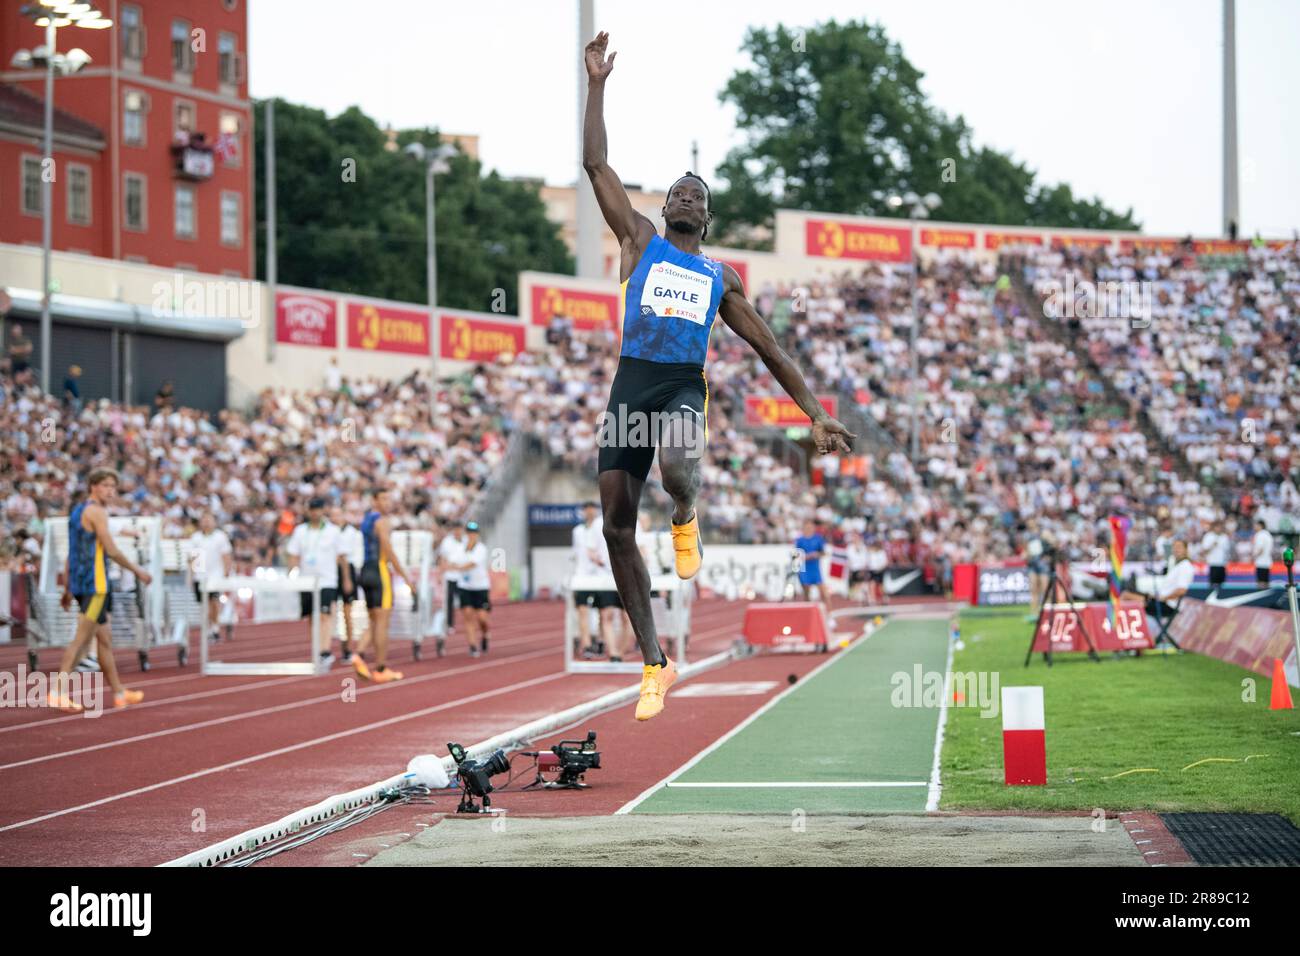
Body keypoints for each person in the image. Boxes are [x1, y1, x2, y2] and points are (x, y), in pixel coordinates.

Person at [582, 31, 854, 720]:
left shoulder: (719, 276)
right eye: (674, 191)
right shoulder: (638, 240)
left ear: (706, 215)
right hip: (629, 382)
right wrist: (597, 84)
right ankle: (654, 663)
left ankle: (683, 513)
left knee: (676, 469)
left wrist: (815, 413)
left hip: (677, 383)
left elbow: (771, 350)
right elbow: (594, 163)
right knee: (614, 525)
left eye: (693, 194)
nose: (681, 197)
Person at [51, 470, 152, 712]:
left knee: (104, 640)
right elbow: (112, 550)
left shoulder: (77, 512)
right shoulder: (97, 512)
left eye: (113, 487)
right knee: (81, 639)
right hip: (95, 586)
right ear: (93, 487)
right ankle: (57, 691)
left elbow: (71, 554)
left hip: (82, 584)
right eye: (106, 485)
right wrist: (138, 571)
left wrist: (67, 588)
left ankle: (118, 693)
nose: (110, 491)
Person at [351, 489, 411, 682]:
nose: (388, 502)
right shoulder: (382, 522)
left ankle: (358, 655)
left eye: (389, 498)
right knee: (383, 623)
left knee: (373, 621)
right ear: (374, 500)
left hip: (366, 570)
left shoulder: (366, 520)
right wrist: (406, 577)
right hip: (380, 571)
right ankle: (381, 667)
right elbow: (388, 550)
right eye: (383, 498)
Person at [285, 497, 350, 666]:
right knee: (311, 617)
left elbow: (343, 557)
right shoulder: (300, 531)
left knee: (324, 615)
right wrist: (292, 572)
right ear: (308, 511)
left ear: (323, 510)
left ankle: (325, 650)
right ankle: (317, 648)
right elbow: (293, 554)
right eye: (312, 509)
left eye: (318, 509)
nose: (315, 512)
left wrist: (347, 579)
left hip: (327, 580)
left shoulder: (333, 531)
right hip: (306, 581)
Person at [572, 501, 621, 658]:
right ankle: (586, 644)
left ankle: (600, 641)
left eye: (592, 509)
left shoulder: (604, 526)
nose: (590, 512)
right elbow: (578, 552)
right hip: (583, 575)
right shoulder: (578, 531)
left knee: (604, 611)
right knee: (582, 610)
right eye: (587, 509)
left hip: (601, 576)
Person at [1121, 539, 1194, 629]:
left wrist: (1164, 598)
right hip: (1160, 599)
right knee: (1128, 593)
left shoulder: (1185, 566)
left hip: (1167, 605)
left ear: (1185, 549)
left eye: (1179, 547)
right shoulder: (1176, 564)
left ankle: (1122, 628)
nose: (1176, 549)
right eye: (1174, 547)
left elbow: (1182, 590)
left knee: (1126, 596)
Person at [188, 512, 233, 642]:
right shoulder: (196, 538)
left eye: (209, 520)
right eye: (204, 519)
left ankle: (215, 628)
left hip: (215, 575)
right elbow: (193, 558)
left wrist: (226, 573)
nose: (206, 522)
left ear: (214, 522)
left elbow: (226, 556)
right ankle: (209, 628)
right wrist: (192, 576)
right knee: (204, 604)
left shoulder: (220, 537)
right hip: (201, 575)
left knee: (214, 602)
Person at [453, 521, 492, 657]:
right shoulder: (460, 548)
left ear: (477, 534)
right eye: (469, 532)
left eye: (473, 533)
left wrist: (456, 567)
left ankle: (485, 634)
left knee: (482, 618)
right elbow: (452, 561)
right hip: (465, 586)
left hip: (480, 587)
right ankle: (473, 645)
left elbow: (471, 564)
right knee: (468, 615)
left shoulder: (481, 549)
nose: (471, 535)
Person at [332, 506, 364, 657]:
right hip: (331, 571)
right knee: (329, 612)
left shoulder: (353, 533)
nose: (335, 518)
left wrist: (350, 577)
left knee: (347, 612)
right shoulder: (329, 532)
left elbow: (356, 557)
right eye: (333, 515)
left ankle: (348, 647)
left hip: (347, 571)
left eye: (338, 514)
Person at [437, 524, 466, 637]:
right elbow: (442, 558)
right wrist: (440, 574)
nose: (457, 532)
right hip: (450, 576)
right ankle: (449, 624)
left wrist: (458, 567)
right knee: (448, 602)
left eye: (459, 529)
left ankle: (468, 622)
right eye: (456, 529)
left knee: (465, 602)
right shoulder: (447, 542)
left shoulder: (466, 541)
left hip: (463, 577)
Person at [794, 521, 828, 608]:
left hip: (815, 569)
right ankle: (807, 613)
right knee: (806, 593)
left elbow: (824, 552)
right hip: (804, 569)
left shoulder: (818, 539)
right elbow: (796, 556)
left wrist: (817, 554)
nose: (809, 529)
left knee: (823, 592)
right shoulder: (800, 540)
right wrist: (805, 558)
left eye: (811, 527)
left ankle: (828, 614)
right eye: (807, 527)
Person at [1198, 520, 1231, 592]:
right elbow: (1203, 551)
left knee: (1221, 584)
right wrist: (1212, 546)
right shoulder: (1208, 536)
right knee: (1212, 584)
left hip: (1222, 564)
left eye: (1220, 527)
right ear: (1214, 527)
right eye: (1217, 527)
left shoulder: (1224, 537)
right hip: (1212, 563)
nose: (1219, 528)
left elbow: (1227, 551)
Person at [1252, 519, 1275, 586]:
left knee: (1260, 584)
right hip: (1267, 562)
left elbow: (1260, 549)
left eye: (1255, 525)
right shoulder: (1268, 535)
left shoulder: (1259, 535)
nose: (1254, 527)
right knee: (1266, 583)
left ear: (1260, 526)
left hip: (1261, 562)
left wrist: (1253, 556)